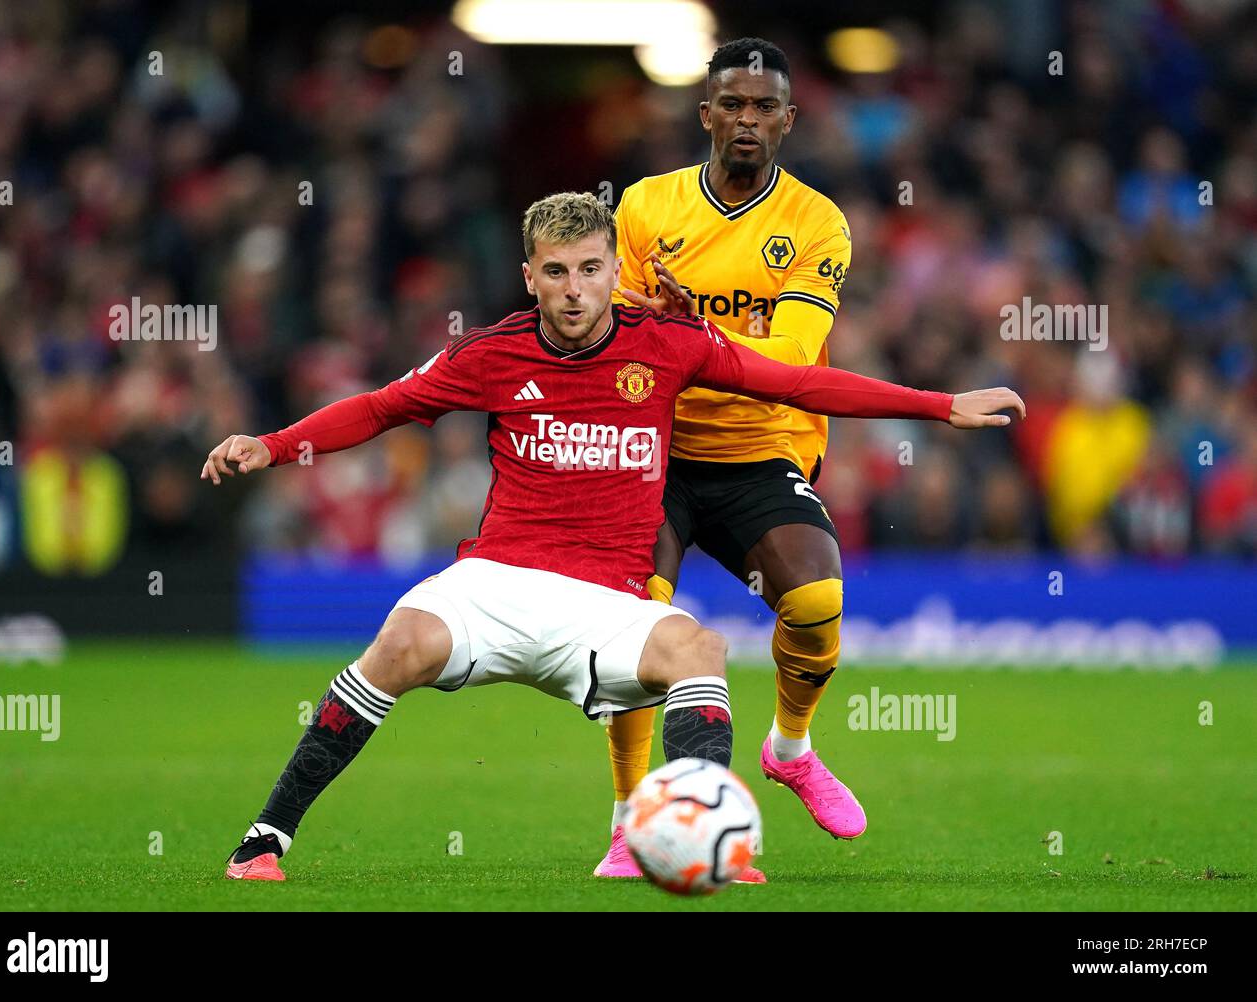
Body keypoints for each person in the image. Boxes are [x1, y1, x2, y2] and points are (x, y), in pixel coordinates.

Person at [205, 191, 1023, 881]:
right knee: (397, 641)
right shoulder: (489, 354)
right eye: (555, 273)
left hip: (605, 605)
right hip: (493, 583)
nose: (573, 290)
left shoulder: (667, 344)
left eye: (590, 269)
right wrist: (271, 445)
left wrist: (939, 405)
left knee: (699, 651)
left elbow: (800, 380)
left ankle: (702, 836)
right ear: (529, 277)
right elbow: (381, 407)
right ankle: (265, 841)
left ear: (613, 272)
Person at [596, 37, 877, 878]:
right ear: (705, 113)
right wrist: (657, 331)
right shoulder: (646, 207)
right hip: (660, 448)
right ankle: (626, 818)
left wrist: (691, 329)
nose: (747, 120)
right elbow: (607, 338)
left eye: (765, 107)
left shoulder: (816, 221)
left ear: (788, 121)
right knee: (639, 625)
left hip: (760, 445)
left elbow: (792, 355)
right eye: (733, 104)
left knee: (820, 597)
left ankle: (790, 749)